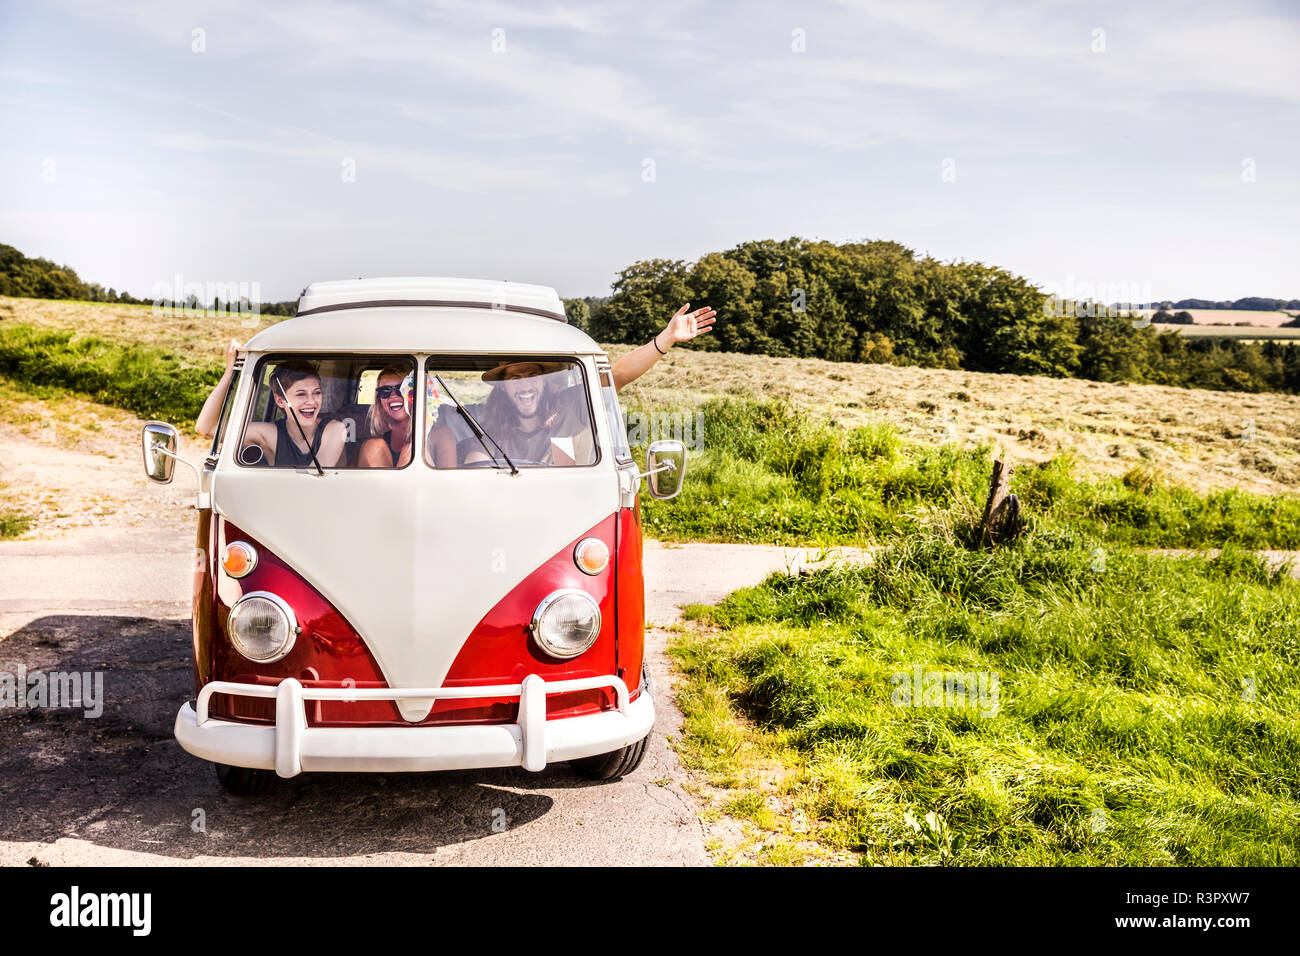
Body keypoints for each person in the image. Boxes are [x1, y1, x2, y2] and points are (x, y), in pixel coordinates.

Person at [430, 302, 717, 468]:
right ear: (503, 388)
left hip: (554, 504)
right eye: (514, 378)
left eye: (532, 375)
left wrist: (664, 340)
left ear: (544, 383)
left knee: (565, 447)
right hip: (500, 508)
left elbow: (615, 377)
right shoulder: (484, 420)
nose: (525, 385)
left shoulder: (567, 407)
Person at [195, 340, 346, 468]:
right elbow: (205, 428)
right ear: (280, 400)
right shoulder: (271, 434)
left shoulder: (335, 429)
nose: (312, 401)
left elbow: (313, 481)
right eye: (301, 394)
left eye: (317, 392)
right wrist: (230, 372)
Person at [357, 364, 414, 467]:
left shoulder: (438, 434)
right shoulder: (375, 442)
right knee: (373, 446)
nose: (393, 395)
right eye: (385, 391)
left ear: (414, 394)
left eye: (401, 389)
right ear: (379, 400)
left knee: (411, 451)